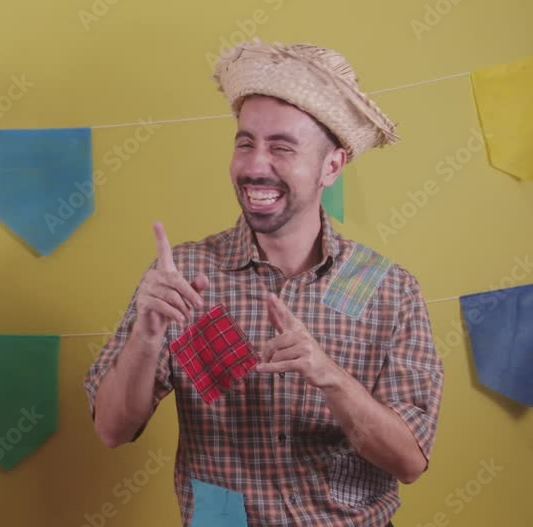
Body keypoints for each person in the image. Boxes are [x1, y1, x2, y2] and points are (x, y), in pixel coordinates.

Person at [85, 41, 444, 526]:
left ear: (331, 166)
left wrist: (329, 376)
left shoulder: (389, 289)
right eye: (245, 142)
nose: (255, 165)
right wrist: (146, 342)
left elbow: (410, 461)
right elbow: (111, 429)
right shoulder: (184, 276)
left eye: (281, 147)